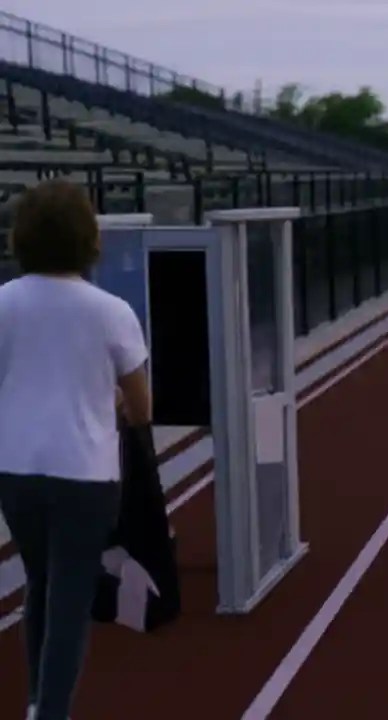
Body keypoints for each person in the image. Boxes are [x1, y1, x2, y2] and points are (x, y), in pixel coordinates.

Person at [0, 179, 152, 720]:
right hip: (84, 471)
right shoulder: (110, 311)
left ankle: (38, 701)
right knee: (69, 596)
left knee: (38, 584)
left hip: (16, 468)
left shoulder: (2, 303)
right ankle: (52, 711)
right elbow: (141, 408)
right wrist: (105, 396)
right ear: (88, 237)